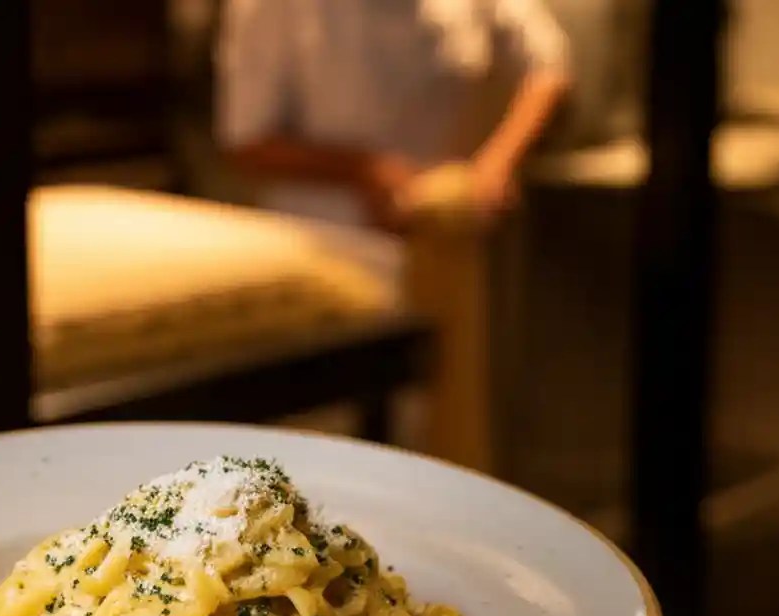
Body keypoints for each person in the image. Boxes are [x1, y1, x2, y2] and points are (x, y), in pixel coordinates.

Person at [217, 0, 570, 471]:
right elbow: (246, 140)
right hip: (330, 258)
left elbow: (549, 65)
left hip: (451, 251)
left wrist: (497, 164)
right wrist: (366, 172)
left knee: (445, 421)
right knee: (341, 454)